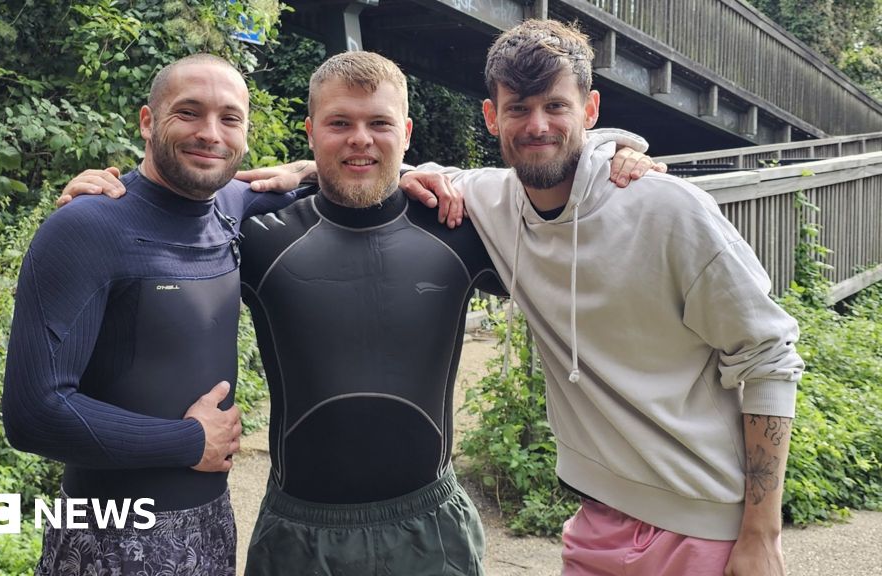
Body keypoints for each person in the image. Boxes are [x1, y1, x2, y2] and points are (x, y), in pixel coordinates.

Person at [59, 54, 659, 575]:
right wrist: (107, 200)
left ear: (406, 130)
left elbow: (564, 210)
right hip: (298, 533)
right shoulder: (255, 227)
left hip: (429, 528)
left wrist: (616, 154)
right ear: (311, 132)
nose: (360, 140)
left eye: (378, 124)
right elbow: (167, 215)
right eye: (339, 123)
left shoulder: (458, 223)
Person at [398, 19, 802, 576]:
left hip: (705, 526)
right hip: (596, 522)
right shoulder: (490, 199)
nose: (537, 124)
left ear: (590, 111)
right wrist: (306, 172)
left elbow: (769, 356)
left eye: (555, 106)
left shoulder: (667, 209)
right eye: (518, 108)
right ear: (492, 117)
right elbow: (388, 170)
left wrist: (762, 535)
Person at [3, 54, 304, 576]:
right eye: (188, 112)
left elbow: (353, 169)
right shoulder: (87, 226)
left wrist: (311, 167)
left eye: (229, 118)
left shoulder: (232, 204)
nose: (210, 133)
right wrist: (189, 440)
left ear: (246, 133)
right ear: (147, 121)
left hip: (210, 533)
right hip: (105, 542)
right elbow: (33, 414)